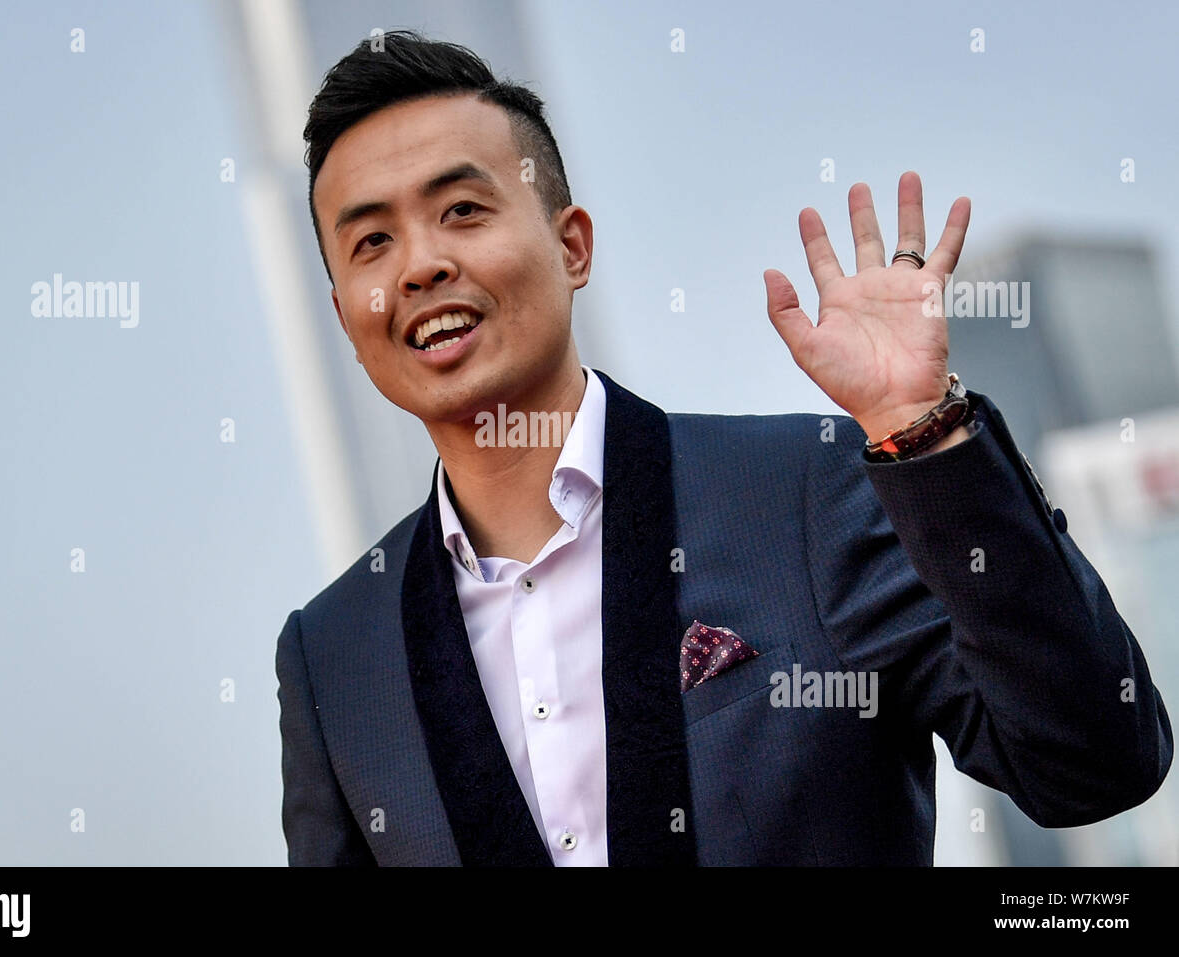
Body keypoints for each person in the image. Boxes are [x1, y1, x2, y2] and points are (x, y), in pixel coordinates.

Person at [276, 29, 1172, 866]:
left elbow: (1093, 763)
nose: (420, 263)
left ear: (572, 244)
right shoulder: (332, 653)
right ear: (348, 319)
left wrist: (927, 429)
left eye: (463, 209)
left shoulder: (804, 493)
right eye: (372, 241)